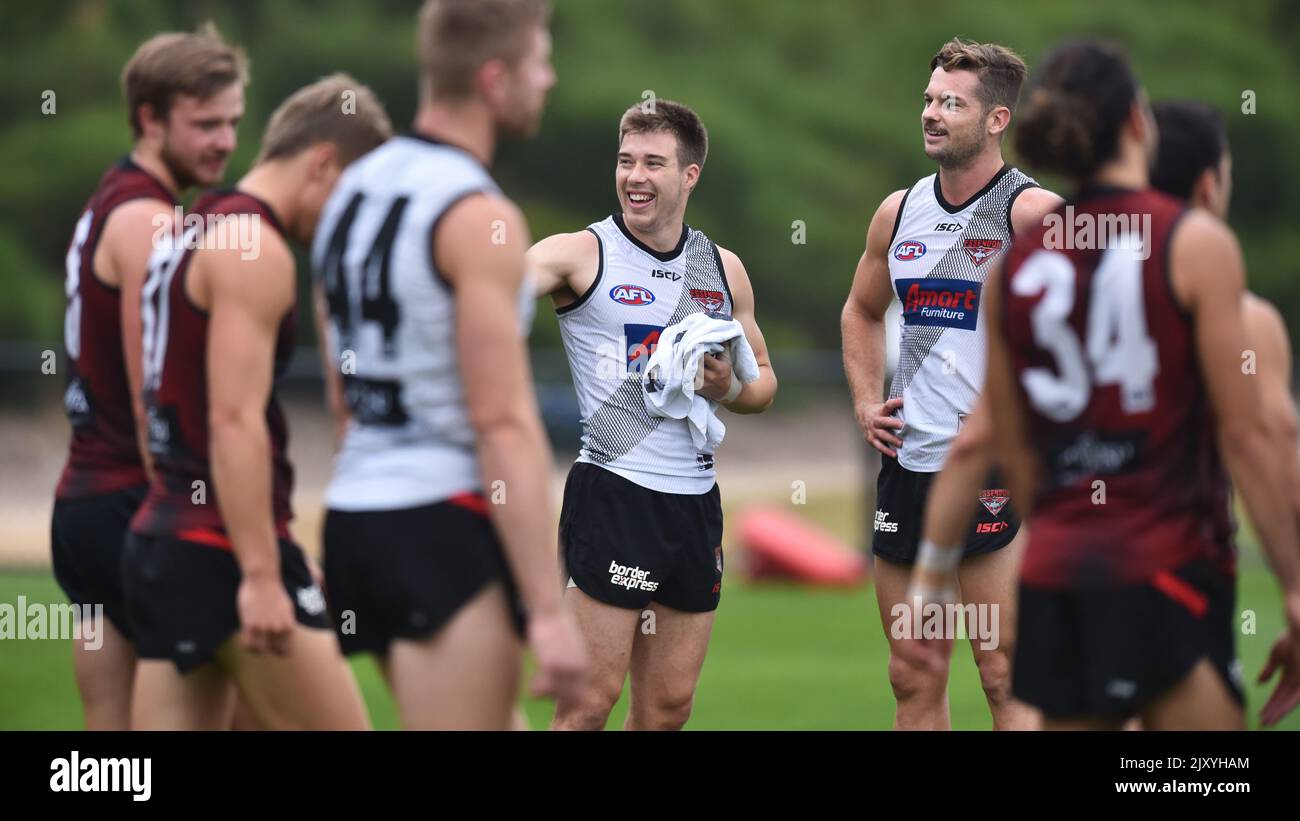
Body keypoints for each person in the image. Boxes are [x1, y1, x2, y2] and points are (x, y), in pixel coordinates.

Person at [313, 0, 587, 730]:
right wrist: (547, 614)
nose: (550, 78)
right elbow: (502, 420)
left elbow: (344, 393)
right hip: (440, 520)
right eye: (539, 61)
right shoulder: (478, 215)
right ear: (495, 80)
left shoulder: (349, 191)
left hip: (356, 515)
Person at [124, 74, 392, 729]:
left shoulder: (195, 223)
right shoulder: (256, 249)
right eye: (352, 200)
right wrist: (264, 571)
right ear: (322, 164)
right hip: (220, 548)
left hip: (165, 539)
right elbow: (234, 419)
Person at [530, 99, 778, 730]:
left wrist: (725, 386)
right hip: (615, 492)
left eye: (653, 163)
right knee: (588, 702)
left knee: (668, 708)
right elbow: (488, 284)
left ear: (689, 175)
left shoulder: (722, 269)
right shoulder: (581, 254)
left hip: (694, 501)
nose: (635, 176)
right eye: (625, 161)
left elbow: (764, 384)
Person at [840, 37, 1060, 729]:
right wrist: (866, 400)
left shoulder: (1031, 213)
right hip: (908, 470)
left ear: (996, 120)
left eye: (952, 104)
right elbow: (861, 310)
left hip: (992, 468)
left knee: (1002, 671)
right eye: (930, 101)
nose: (932, 114)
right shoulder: (898, 212)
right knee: (913, 671)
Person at [50, 23, 246, 729]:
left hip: (83, 503)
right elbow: (152, 395)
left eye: (232, 122)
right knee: (268, 691)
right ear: (150, 118)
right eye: (205, 124)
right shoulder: (151, 221)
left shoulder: (114, 197)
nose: (225, 140)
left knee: (113, 750)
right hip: (134, 499)